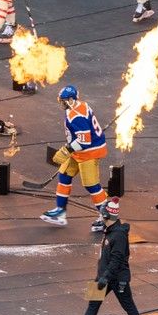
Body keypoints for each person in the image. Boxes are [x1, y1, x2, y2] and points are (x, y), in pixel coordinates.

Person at [60, 197, 144, 315]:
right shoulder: (110, 231)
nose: (100, 217)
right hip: (104, 277)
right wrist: (101, 276)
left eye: (101, 214)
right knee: (93, 303)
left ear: (106, 216)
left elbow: (117, 260)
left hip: (117, 279)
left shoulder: (118, 235)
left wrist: (105, 277)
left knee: (129, 306)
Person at [40, 86, 112, 231]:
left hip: (89, 152)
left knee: (91, 185)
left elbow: (84, 141)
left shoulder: (76, 115)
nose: (62, 103)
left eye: (64, 101)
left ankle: (107, 218)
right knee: (64, 175)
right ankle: (60, 211)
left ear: (71, 100)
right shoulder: (80, 106)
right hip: (79, 150)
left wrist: (66, 150)